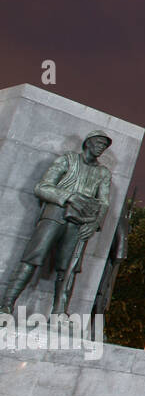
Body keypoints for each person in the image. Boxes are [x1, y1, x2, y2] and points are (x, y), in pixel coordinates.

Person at [0, 131, 113, 315]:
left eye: (104, 145)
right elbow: (42, 187)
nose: (101, 147)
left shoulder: (103, 172)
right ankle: (6, 304)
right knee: (32, 258)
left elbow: (104, 202)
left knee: (69, 268)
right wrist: (69, 196)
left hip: (80, 220)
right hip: (55, 213)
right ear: (87, 143)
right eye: (98, 142)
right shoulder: (67, 160)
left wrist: (95, 224)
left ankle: (59, 312)